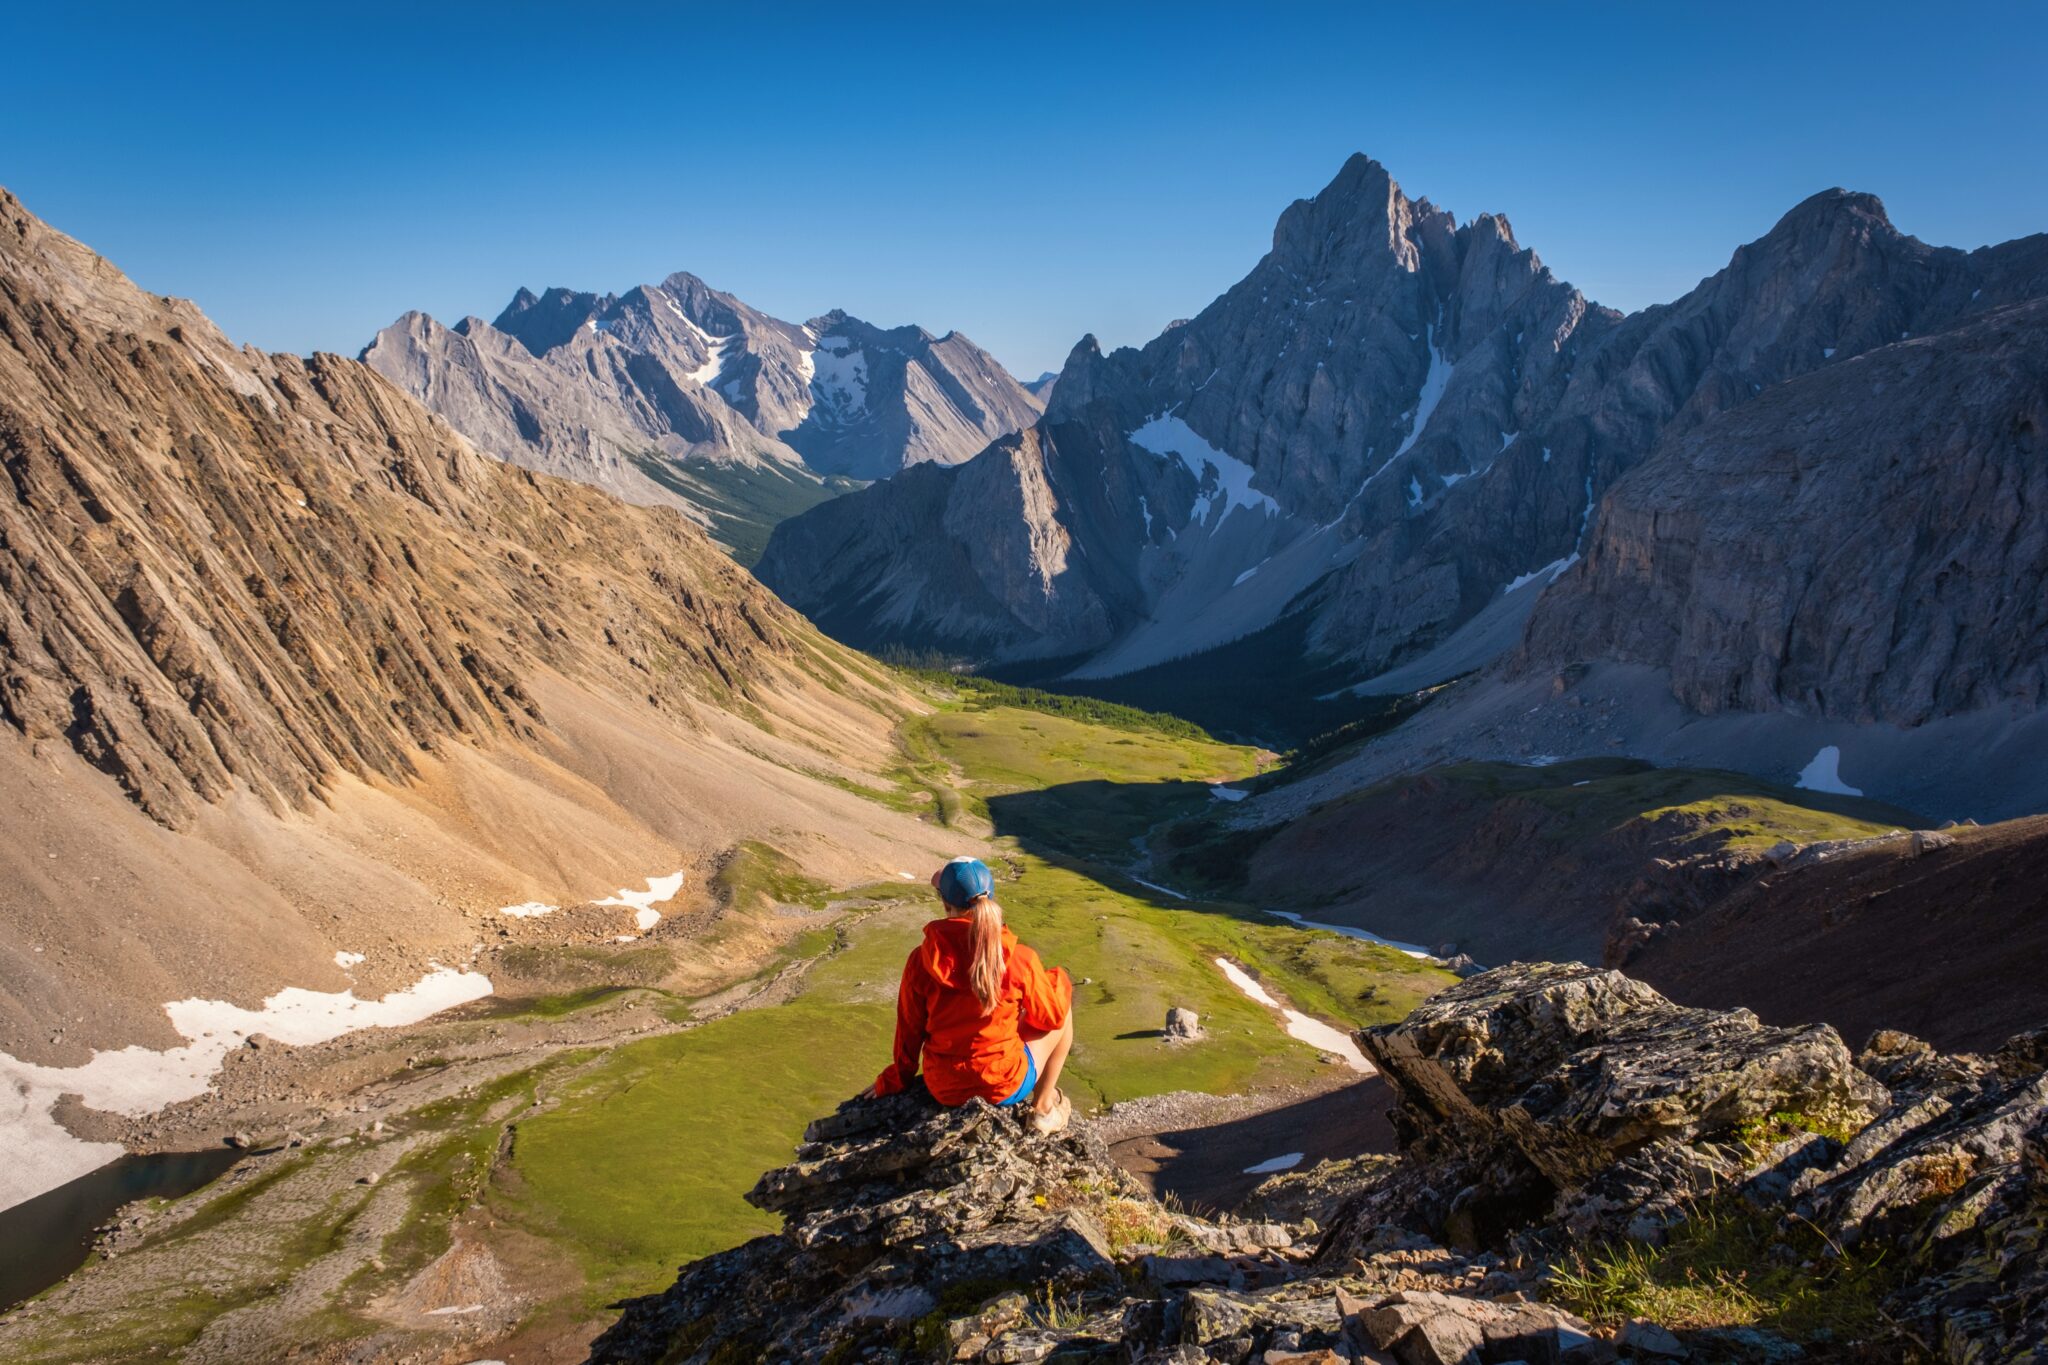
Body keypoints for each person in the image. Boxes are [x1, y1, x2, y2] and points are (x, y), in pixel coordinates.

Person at [867, 857, 1075, 1133]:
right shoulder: (1019, 959)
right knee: (1063, 1008)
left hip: (944, 1088)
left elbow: (909, 1032)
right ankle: (1044, 1106)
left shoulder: (920, 961)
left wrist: (893, 1081)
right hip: (1003, 1085)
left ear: (945, 903)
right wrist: (1059, 982)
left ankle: (1042, 1104)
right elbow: (1051, 1017)